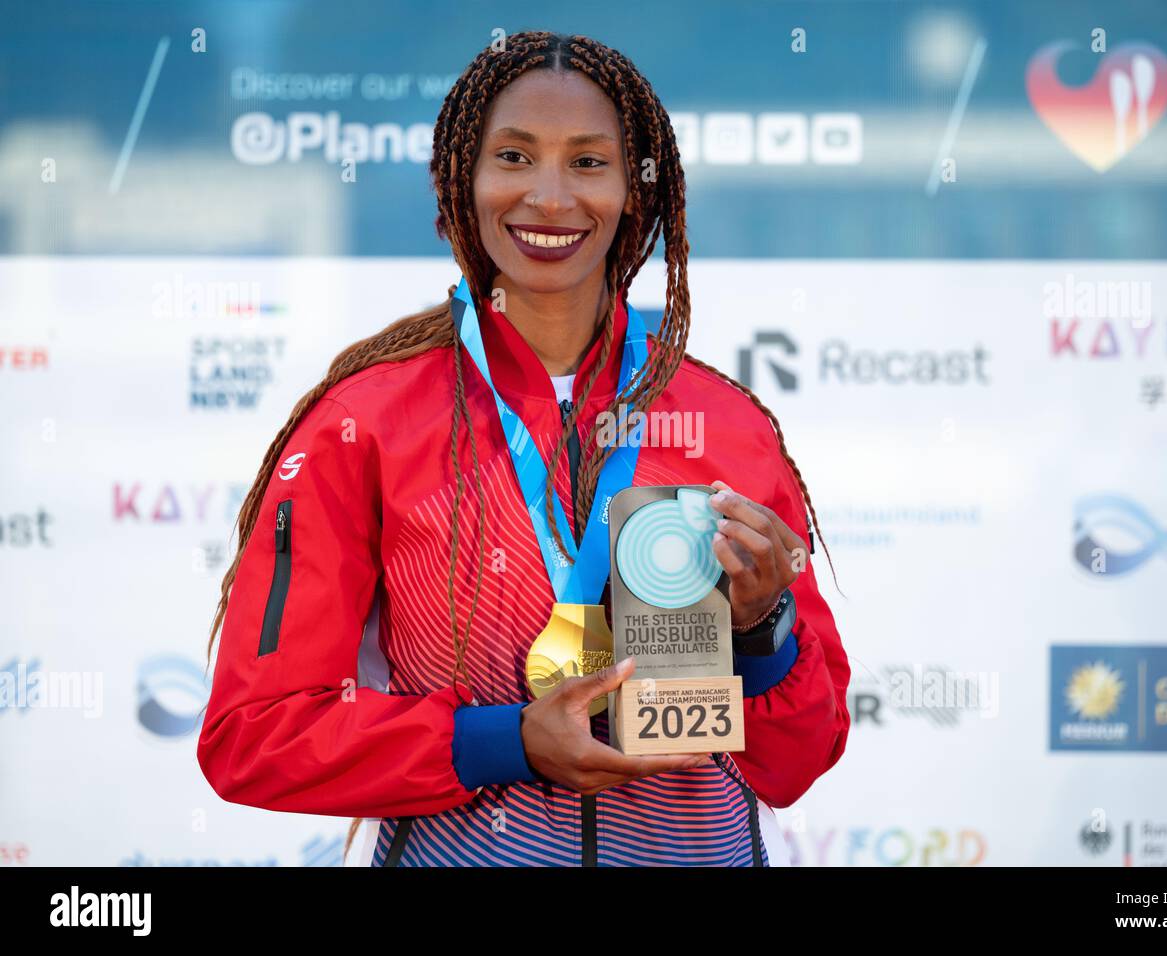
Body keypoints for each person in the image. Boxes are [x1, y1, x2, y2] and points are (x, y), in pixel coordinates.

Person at [197, 30, 850, 867]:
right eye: (513, 155)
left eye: (587, 163)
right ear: (458, 182)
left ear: (635, 191)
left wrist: (763, 633)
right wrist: (501, 742)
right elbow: (255, 735)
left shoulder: (726, 425)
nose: (548, 196)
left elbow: (799, 761)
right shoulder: (364, 423)